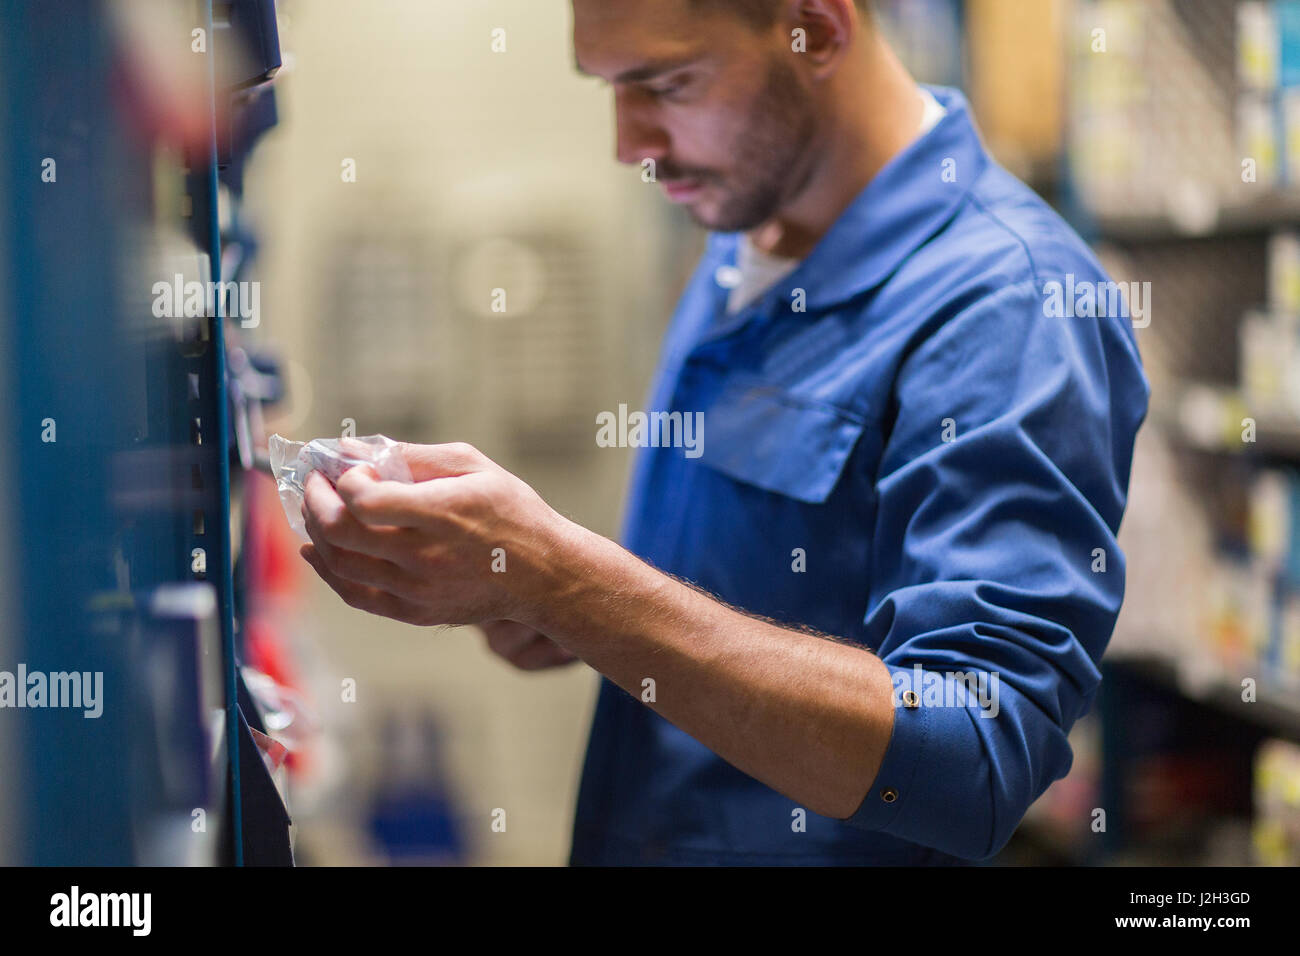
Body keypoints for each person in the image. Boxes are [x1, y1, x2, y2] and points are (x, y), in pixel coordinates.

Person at [299, 0, 1150, 865]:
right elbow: (753, 594)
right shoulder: (746, 232)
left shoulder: (1010, 305)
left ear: (815, 31)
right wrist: (555, 607)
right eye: (607, 88)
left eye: (668, 84)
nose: (628, 145)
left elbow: (975, 762)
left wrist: (564, 582)